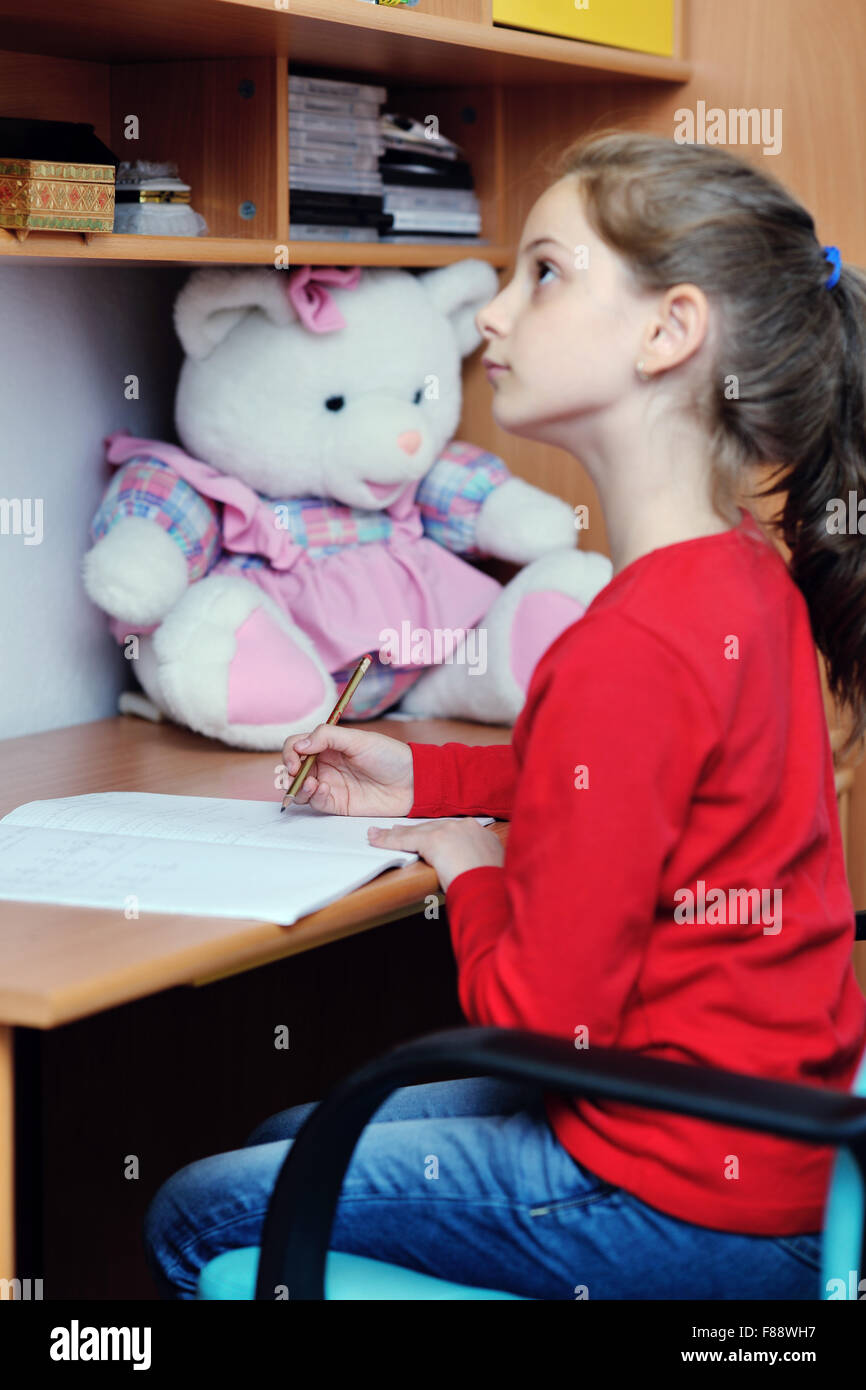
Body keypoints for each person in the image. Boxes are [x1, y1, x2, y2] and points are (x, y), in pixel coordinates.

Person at [143, 129, 866, 1301]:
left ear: (667, 332)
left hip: (665, 1189)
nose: (490, 316)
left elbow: (539, 1015)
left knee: (201, 1208)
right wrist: (427, 787)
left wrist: (470, 864)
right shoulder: (740, 580)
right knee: (290, 1123)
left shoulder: (625, 642)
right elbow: (638, 794)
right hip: (773, 1150)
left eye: (544, 273)